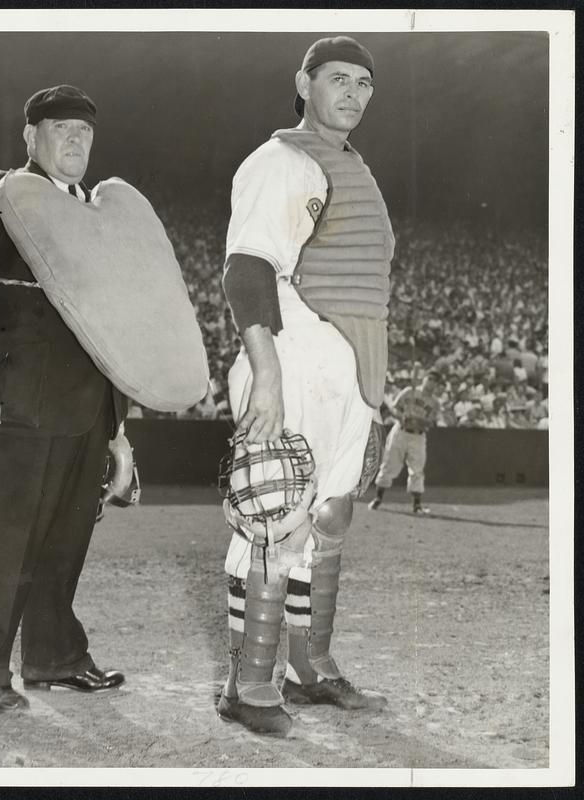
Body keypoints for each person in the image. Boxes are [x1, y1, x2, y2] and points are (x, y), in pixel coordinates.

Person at [218, 36, 392, 737]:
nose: (351, 93)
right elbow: (247, 268)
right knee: (274, 513)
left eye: (363, 84)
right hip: (296, 353)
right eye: (337, 79)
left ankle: (308, 665)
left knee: (328, 520)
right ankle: (250, 683)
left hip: (350, 362)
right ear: (304, 83)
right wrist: (266, 373)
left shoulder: (351, 167)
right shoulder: (280, 158)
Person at [0, 85, 128, 713]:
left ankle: (54, 656)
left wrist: (119, 429)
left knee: (65, 541)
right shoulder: (0, 194)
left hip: (87, 408)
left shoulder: (97, 213)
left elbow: (114, 325)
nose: (74, 141)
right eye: (60, 128)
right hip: (17, 402)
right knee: (5, 539)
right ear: (30, 137)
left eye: (84, 132)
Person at [368, 370, 442, 514]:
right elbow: (394, 408)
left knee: (417, 469)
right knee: (389, 464)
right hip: (400, 431)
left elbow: (430, 422)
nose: (431, 382)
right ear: (424, 379)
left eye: (435, 380)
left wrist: (418, 419)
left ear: (437, 385)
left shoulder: (435, 402)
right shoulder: (409, 391)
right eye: (430, 378)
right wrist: (401, 416)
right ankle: (378, 498)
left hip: (418, 436)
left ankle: (416, 505)